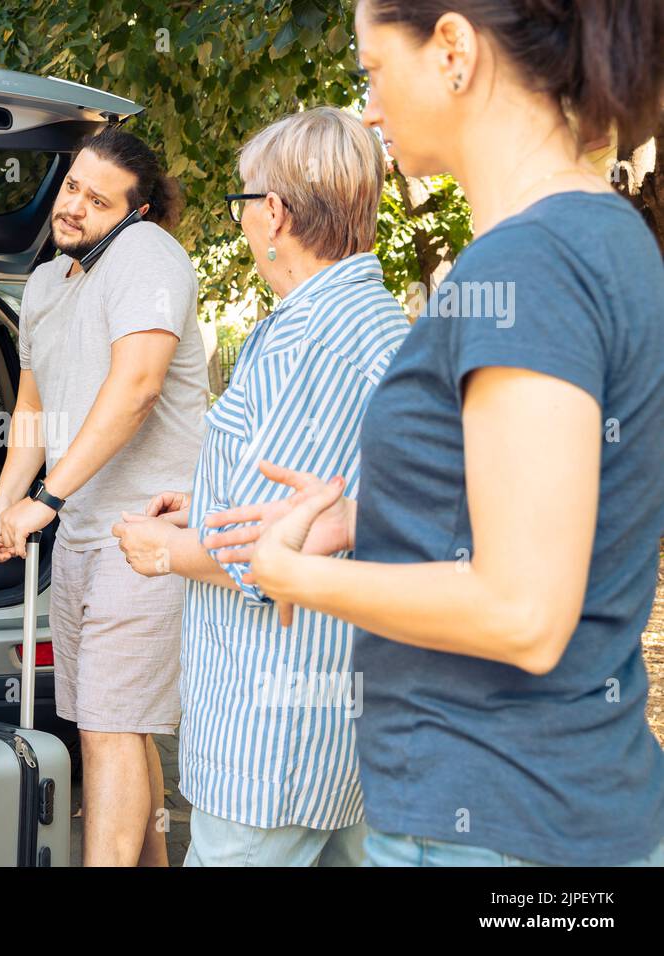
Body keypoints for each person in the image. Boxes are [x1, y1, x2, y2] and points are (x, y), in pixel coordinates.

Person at [206, 0, 664, 866]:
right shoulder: (607, 238)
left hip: (484, 821)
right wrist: (365, 519)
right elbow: (545, 495)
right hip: (565, 808)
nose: (368, 108)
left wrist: (295, 576)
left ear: (453, 49)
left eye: (373, 71)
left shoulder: (529, 263)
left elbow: (522, 611)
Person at [114, 107, 409, 866]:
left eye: (246, 202)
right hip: (343, 706)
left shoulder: (305, 339)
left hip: (272, 730)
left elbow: (267, 546)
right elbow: (321, 494)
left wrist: (162, 552)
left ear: (274, 213)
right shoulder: (376, 321)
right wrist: (203, 501)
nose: (244, 220)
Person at [0, 127, 207, 866]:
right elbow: (33, 414)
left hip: (146, 534)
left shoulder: (148, 257)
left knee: (112, 728)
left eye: (96, 199)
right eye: (72, 186)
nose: (72, 206)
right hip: (81, 535)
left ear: (136, 214)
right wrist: (7, 500)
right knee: (112, 726)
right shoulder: (46, 281)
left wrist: (43, 500)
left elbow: (138, 387)